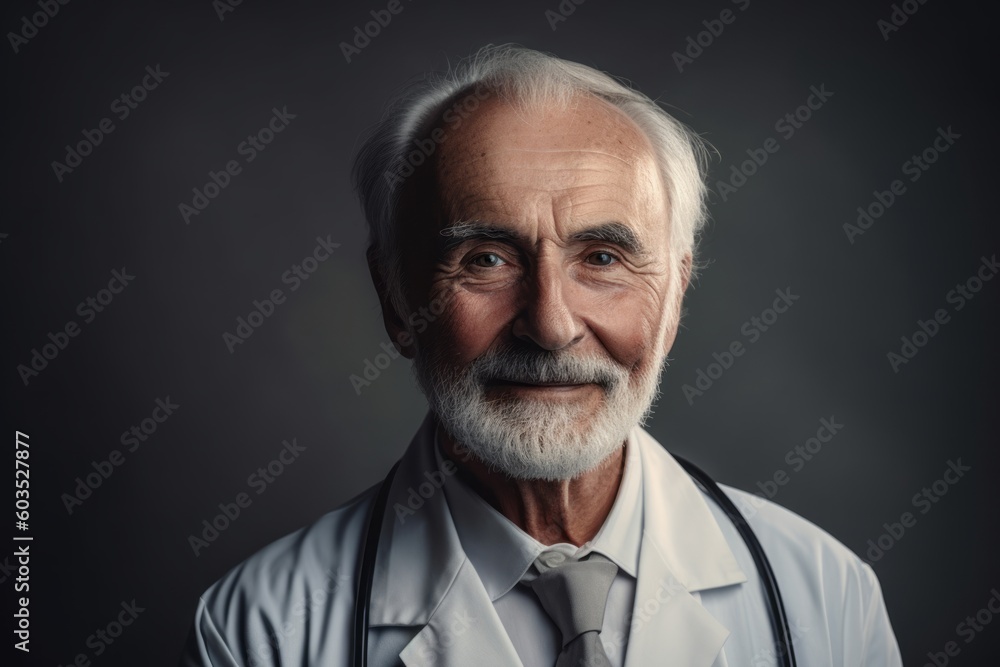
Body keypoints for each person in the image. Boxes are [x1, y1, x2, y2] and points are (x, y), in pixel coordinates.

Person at [181, 44, 902, 666]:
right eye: (487, 258)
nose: (551, 325)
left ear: (675, 295)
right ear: (397, 299)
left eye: (602, 256)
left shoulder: (824, 595)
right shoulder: (262, 629)